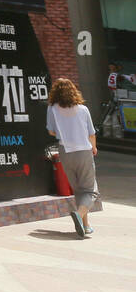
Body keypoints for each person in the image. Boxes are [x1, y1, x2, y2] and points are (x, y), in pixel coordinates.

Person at [47, 78, 101, 237]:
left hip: (65, 152)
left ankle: (85, 225)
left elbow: (51, 132)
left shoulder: (52, 109)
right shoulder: (83, 109)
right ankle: (78, 215)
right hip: (83, 151)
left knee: (79, 190)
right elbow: (91, 133)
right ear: (73, 91)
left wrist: (65, 132)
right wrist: (94, 147)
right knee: (91, 191)